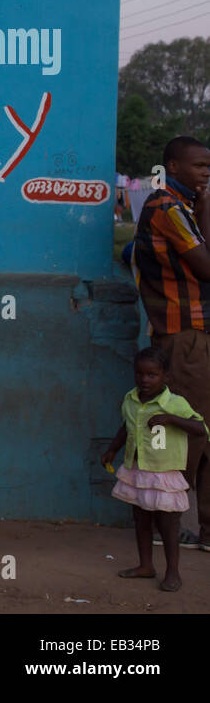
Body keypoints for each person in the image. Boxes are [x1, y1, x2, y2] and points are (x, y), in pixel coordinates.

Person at [133, 136, 210, 550]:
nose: (206, 173)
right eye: (199, 166)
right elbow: (206, 266)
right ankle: (170, 523)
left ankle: (203, 528)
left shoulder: (185, 208)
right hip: (183, 333)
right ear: (173, 166)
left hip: (196, 332)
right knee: (189, 431)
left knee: (202, 430)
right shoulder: (165, 207)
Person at [102, 346, 208, 592]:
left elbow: (200, 428)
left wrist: (171, 419)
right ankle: (145, 566)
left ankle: (173, 573)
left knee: (168, 525)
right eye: (140, 374)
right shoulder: (131, 399)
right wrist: (112, 449)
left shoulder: (175, 403)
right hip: (138, 470)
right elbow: (126, 426)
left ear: (165, 377)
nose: (145, 380)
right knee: (141, 520)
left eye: (152, 375)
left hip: (164, 473)